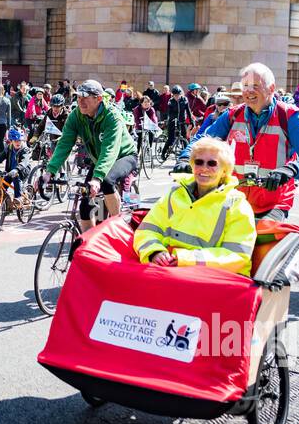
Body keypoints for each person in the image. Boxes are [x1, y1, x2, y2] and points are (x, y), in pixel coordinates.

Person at [182, 63, 299, 221]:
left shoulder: (289, 116)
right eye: (245, 86)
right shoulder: (233, 115)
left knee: (259, 239)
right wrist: (184, 157)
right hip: (235, 198)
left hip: (273, 204)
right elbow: (203, 140)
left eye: (256, 85)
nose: (249, 91)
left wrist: (291, 169)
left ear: (271, 88)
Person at [133, 137, 258, 276]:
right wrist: (155, 252)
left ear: (224, 170)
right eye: (199, 162)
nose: (204, 168)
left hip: (212, 281)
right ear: (192, 166)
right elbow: (146, 231)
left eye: (212, 163)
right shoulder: (174, 194)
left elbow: (237, 256)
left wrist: (185, 259)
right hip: (169, 273)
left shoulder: (237, 205)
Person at [43, 79, 138, 231]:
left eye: (85, 97)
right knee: (85, 206)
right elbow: (65, 144)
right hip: (100, 159)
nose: (80, 101)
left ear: (98, 98)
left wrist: (97, 177)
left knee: (106, 181)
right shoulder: (76, 116)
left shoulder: (112, 117)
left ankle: (118, 226)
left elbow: (110, 149)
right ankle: (90, 242)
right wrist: (50, 171)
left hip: (124, 155)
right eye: (78, 97)